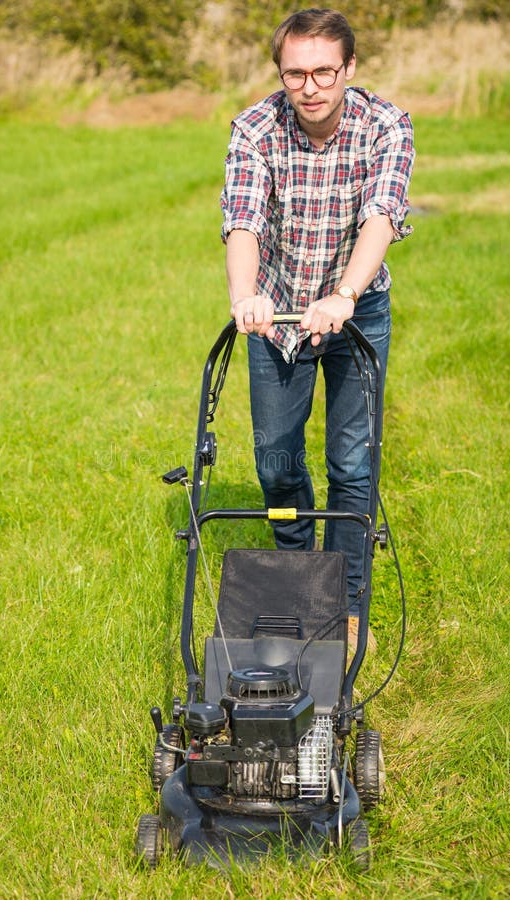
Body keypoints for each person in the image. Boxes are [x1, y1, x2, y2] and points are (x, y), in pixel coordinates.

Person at [220, 8, 414, 651]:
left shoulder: (387, 126)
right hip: (276, 316)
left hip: (356, 312)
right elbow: (243, 217)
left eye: (323, 72)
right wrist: (245, 295)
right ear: (280, 73)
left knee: (352, 465)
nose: (309, 87)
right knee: (276, 464)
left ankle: (348, 603)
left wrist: (344, 294)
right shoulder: (253, 128)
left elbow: (382, 216)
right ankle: (298, 578)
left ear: (349, 69)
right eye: (294, 73)